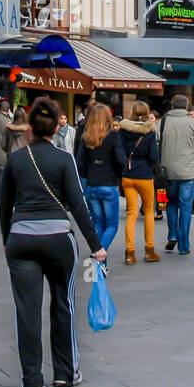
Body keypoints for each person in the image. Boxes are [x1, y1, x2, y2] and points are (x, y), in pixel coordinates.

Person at [0, 97, 106, 387]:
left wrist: (8, 240)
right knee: (63, 304)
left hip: (21, 239)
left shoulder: (17, 160)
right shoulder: (63, 159)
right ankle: (65, 373)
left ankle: (31, 381)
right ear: (54, 127)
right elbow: (78, 205)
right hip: (59, 239)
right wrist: (96, 246)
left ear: (29, 127)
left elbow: (5, 207)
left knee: (26, 311)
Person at [158, 94, 194, 256]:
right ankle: (183, 244)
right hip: (188, 171)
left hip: (167, 171)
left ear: (172, 106)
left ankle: (172, 234)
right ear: (187, 108)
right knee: (185, 206)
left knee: (171, 204)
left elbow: (155, 141)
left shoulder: (162, 122)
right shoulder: (193, 123)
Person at [75, 103, 126, 266]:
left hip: (92, 184)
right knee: (112, 225)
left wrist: (88, 176)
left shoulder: (86, 137)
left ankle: (102, 263)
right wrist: (118, 177)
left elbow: (79, 163)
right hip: (109, 183)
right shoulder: (112, 136)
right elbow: (120, 160)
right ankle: (99, 255)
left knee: (98, 222)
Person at [117, 101, 159, 264]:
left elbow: (119, 151)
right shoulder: (149, 131)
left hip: (128, 174)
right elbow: (154, 156)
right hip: (145, 175)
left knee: (132, 213)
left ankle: (130, 252)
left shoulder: (123, 130)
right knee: (149, 210)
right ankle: (149, 250)